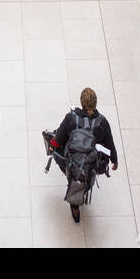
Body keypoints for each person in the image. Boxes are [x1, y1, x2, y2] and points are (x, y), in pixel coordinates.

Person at [45, 87, 119, 224]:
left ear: (81, 102)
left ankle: (74, 205)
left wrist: (52, 146)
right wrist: (114, 160)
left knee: (73, 180)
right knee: (87, 179)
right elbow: (109, 143)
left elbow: (60, 137)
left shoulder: (71, 117)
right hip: (91, 164)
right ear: (96, 103)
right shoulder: (102, 122)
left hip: (72, 160)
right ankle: (83, 189)